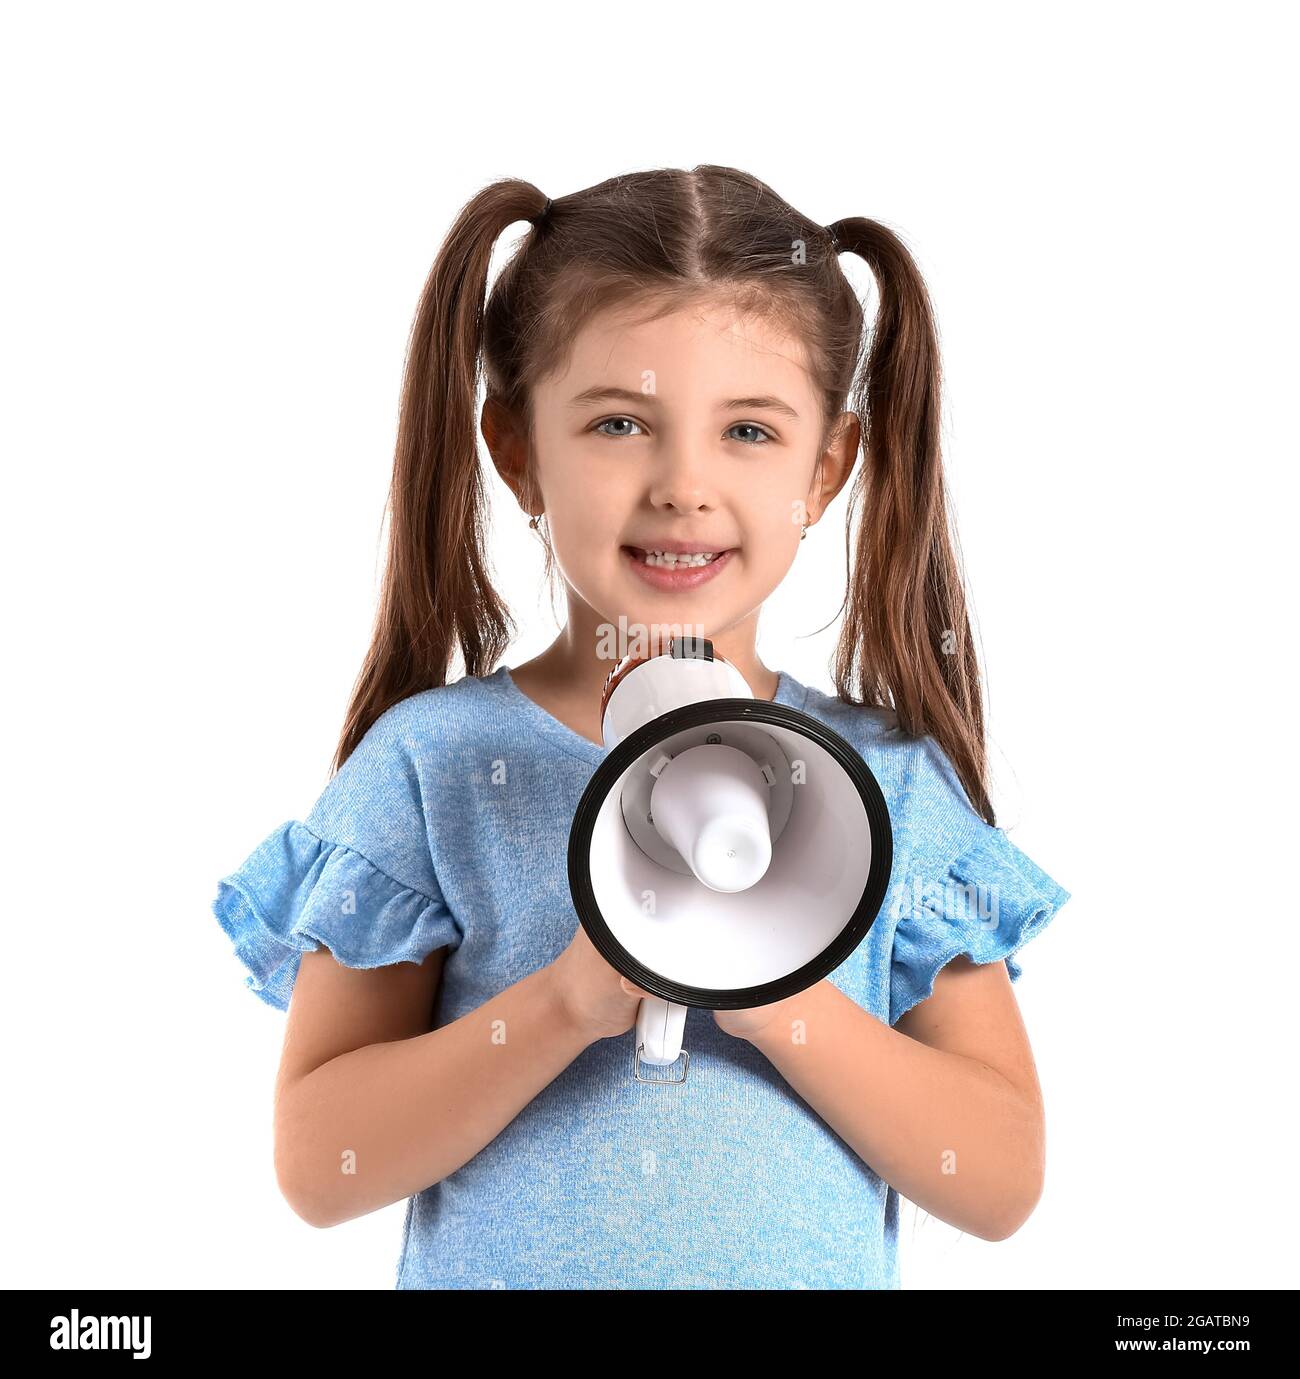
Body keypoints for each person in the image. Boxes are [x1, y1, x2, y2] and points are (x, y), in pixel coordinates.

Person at [211, 165, 1071, 1289]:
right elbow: (324, 1166)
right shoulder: (436, 768)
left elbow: (997, 1179)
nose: (682, 485)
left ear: (827, 468)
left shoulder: (889, 787)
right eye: (619, 422)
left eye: (749, 433)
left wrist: (782, 1000)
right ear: (517, 450)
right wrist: (563, 1003)